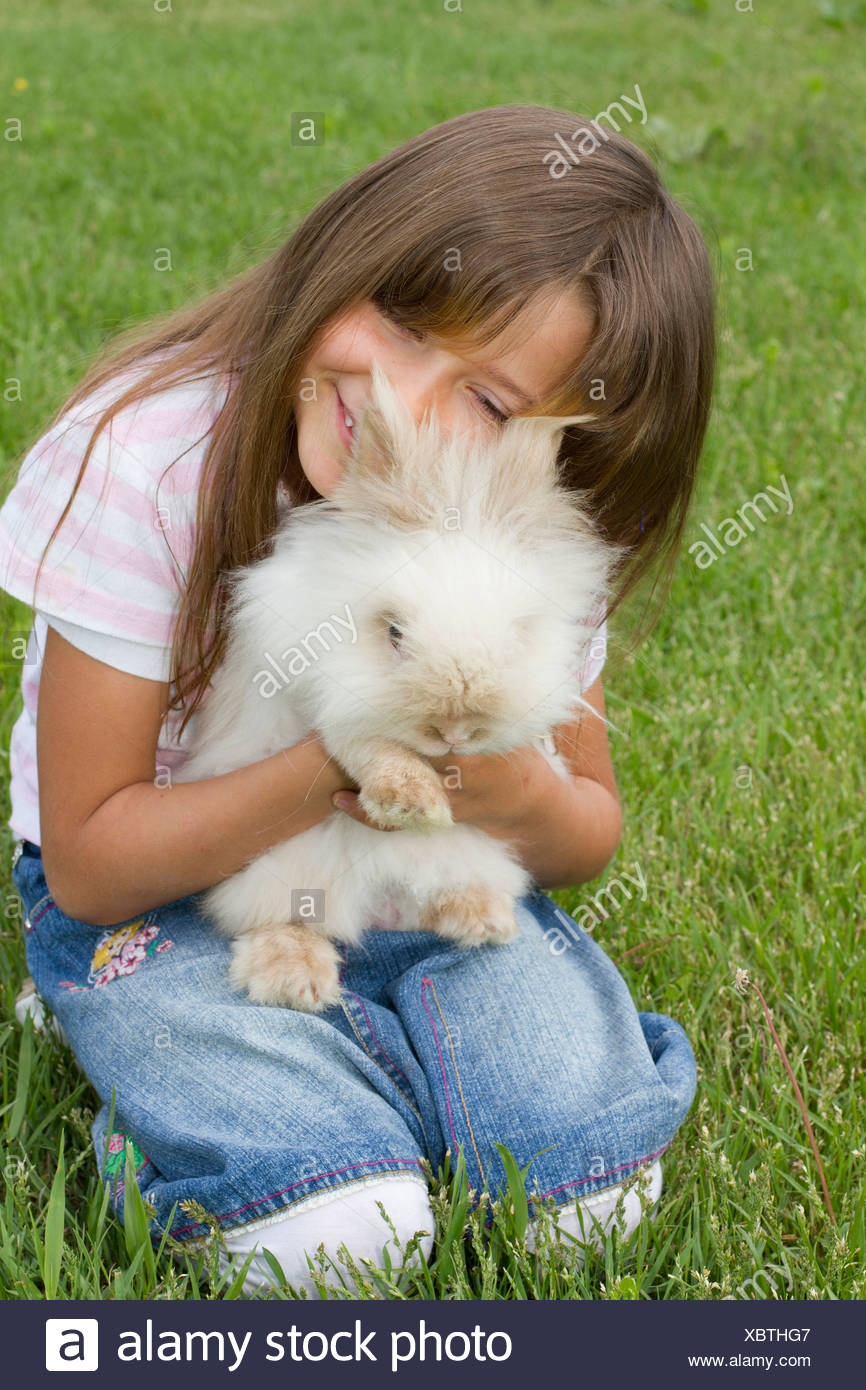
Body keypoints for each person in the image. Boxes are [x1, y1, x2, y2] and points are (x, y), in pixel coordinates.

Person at [1, 105, 712, 1298]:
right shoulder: (151, 458)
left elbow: (583, 826)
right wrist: (330, 767)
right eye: (397, 320)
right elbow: (87, 860)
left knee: (591, 1202)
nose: (397, 397)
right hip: (163, 887)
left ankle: (397, 1071)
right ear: (345, 253)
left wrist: (506, 788)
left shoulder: (528, 535)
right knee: (329, 1240)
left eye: (489, 404)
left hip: (431, 872)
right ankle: (172, 1118)